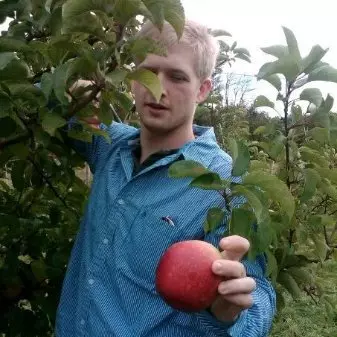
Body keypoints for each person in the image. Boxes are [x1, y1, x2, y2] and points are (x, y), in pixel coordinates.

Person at [55, 19, 276, 337]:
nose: (158, 88)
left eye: (177, 77)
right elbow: (46, 101)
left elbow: (258, 299)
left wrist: (229, 314)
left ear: (202, 89)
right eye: (148, 72)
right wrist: (76, 88)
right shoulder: (111, 147)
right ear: (131, 79)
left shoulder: (225, 186)